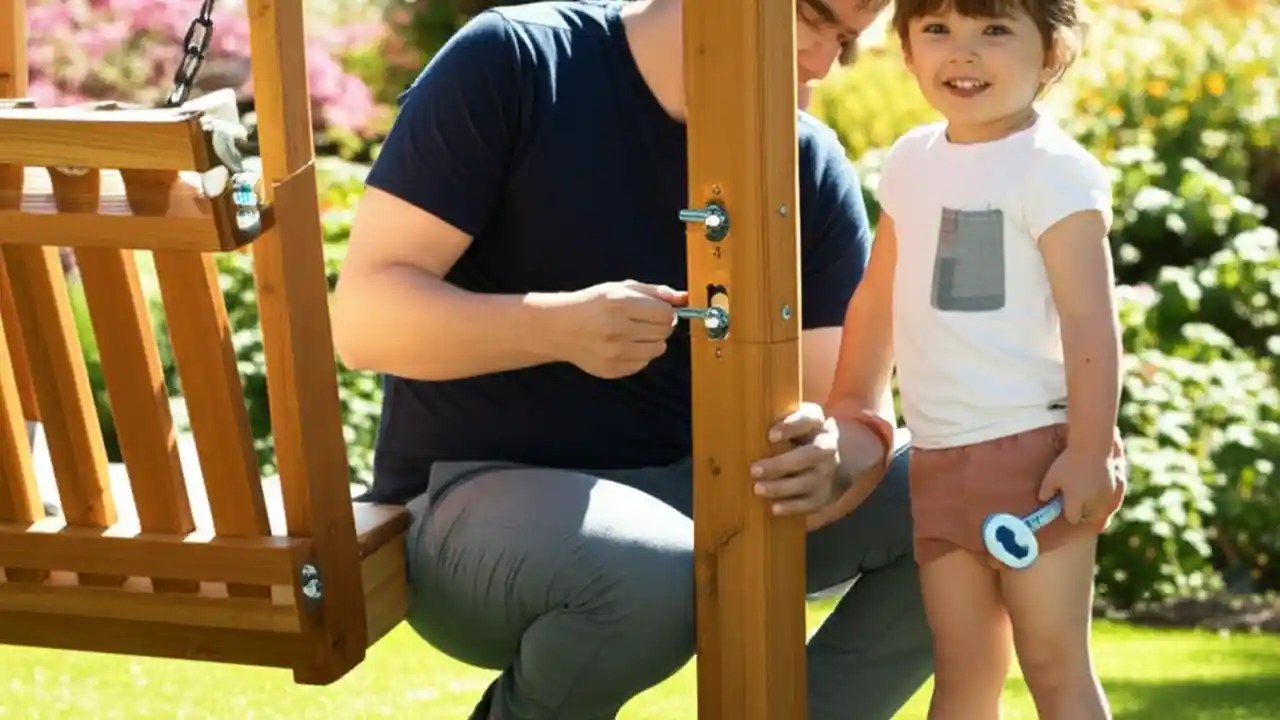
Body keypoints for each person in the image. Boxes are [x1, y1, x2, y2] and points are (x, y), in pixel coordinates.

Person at [332, 0, 933, 717]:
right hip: (475, 501)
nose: (819, 64)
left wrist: (831, 456)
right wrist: (556, 328)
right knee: (654, 570)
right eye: (810, 19)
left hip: (705, 500)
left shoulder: (803, 158)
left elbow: (845, 408)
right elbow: (363, 320)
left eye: (845, 42)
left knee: (969, 488)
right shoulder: (518, 61)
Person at [829, 0, 1128, 717]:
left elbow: (1092, 323)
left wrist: (1088, 452)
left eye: (994, 30)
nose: (963, 53)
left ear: (1051, 53)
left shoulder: (1054, 171)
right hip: (936, 461)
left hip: (1037, 460)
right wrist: (851, 407)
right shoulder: (910, 162)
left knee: (1054, 665)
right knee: (963, 672)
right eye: (937, 30)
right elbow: (877, 299)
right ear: (905, 51)